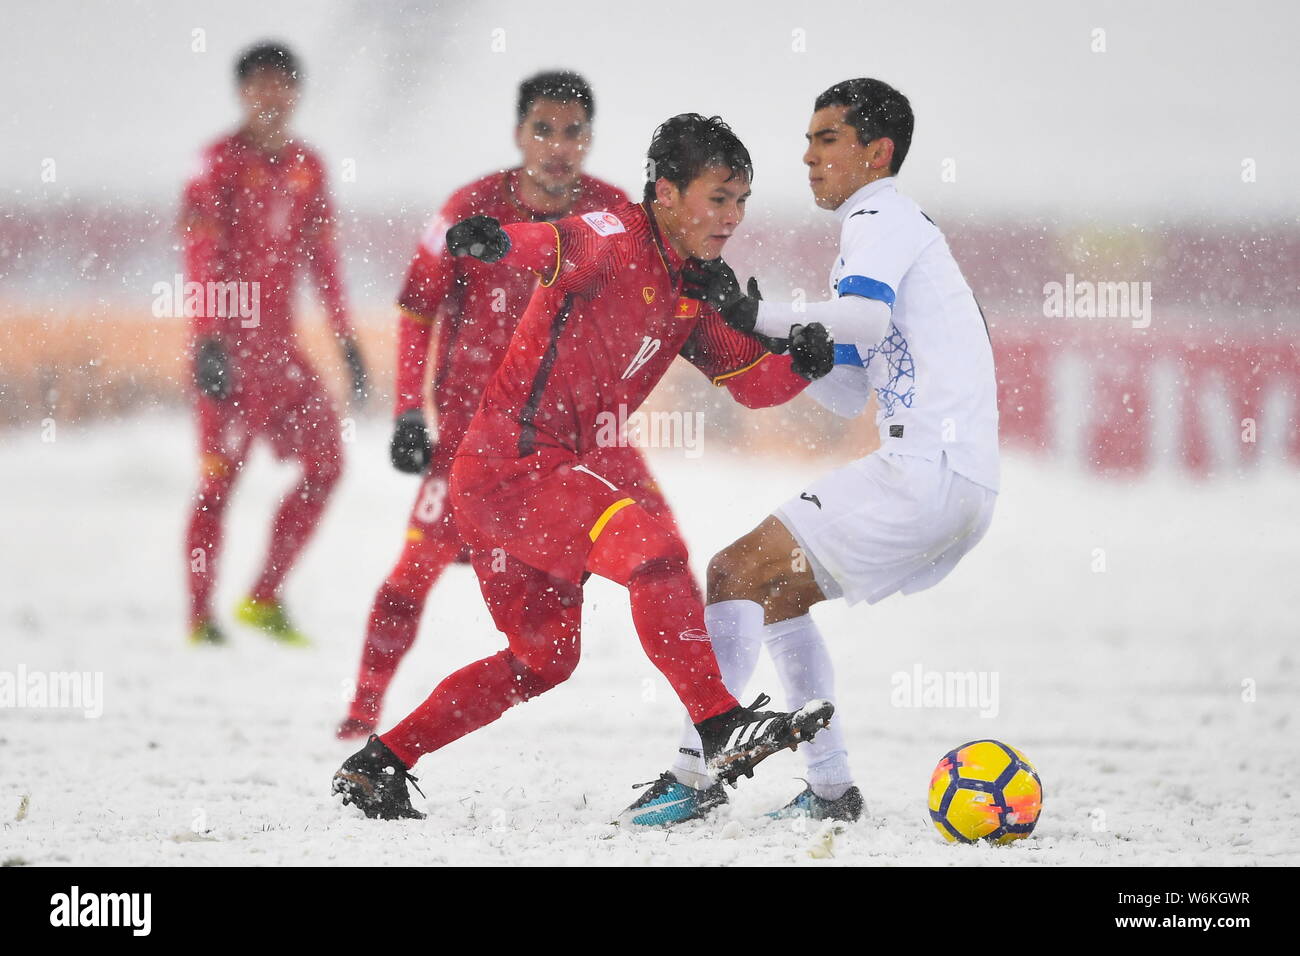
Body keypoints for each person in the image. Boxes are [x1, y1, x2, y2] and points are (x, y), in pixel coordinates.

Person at [332, 114, 838, 821]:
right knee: (656, 550)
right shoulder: (616, 236)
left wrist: (806, 364)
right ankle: (721, 726)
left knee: (543, 659)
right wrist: (499, 240)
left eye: (741, 201)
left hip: (521, 478)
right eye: (717, 198)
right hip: (515, 464)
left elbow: (755, 384)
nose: (732, 218)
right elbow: (552, 244)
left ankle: (379, 762)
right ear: (665, 191)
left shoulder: (694, 287)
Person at [622, 78, 1000, 826]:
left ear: (877, 152)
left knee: (732, 571)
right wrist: (773, 337)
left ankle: (694, 776)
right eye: (808, 140)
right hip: (960, 486)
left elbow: (860, 314)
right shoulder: (886, 234)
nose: (808, 156)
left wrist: (754, 311)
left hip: (925, 471)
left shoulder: (879, 212)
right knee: (779, 593)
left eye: (827, 139)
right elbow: (844, 390)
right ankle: (831, 789)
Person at [338, 71, 664, 738]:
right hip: (466, 445)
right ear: (519, 134)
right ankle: (363, 711)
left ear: (590, 138)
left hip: (558, 449)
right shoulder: (470, 206)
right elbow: (415, 306)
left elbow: (644, 315)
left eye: (573, 131)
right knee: (412, 575)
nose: (558, 146)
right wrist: (406, 412)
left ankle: (699, 724)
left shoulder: (612, 214)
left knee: (658, 564)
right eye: (543, 129)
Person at [182, 41, 366, 647]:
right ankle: (200, 620)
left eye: (283, 84)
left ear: (296, 93)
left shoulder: (307, 166)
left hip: (281, 354)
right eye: (260, 84)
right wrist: (209, 337)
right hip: (228, 349)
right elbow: (200, 255)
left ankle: (263, 596)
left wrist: (345, 340)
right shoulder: (215, 162)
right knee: (217, 483)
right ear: (241, 92)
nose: (272, 95)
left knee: (328, 464)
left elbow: (324, 259)